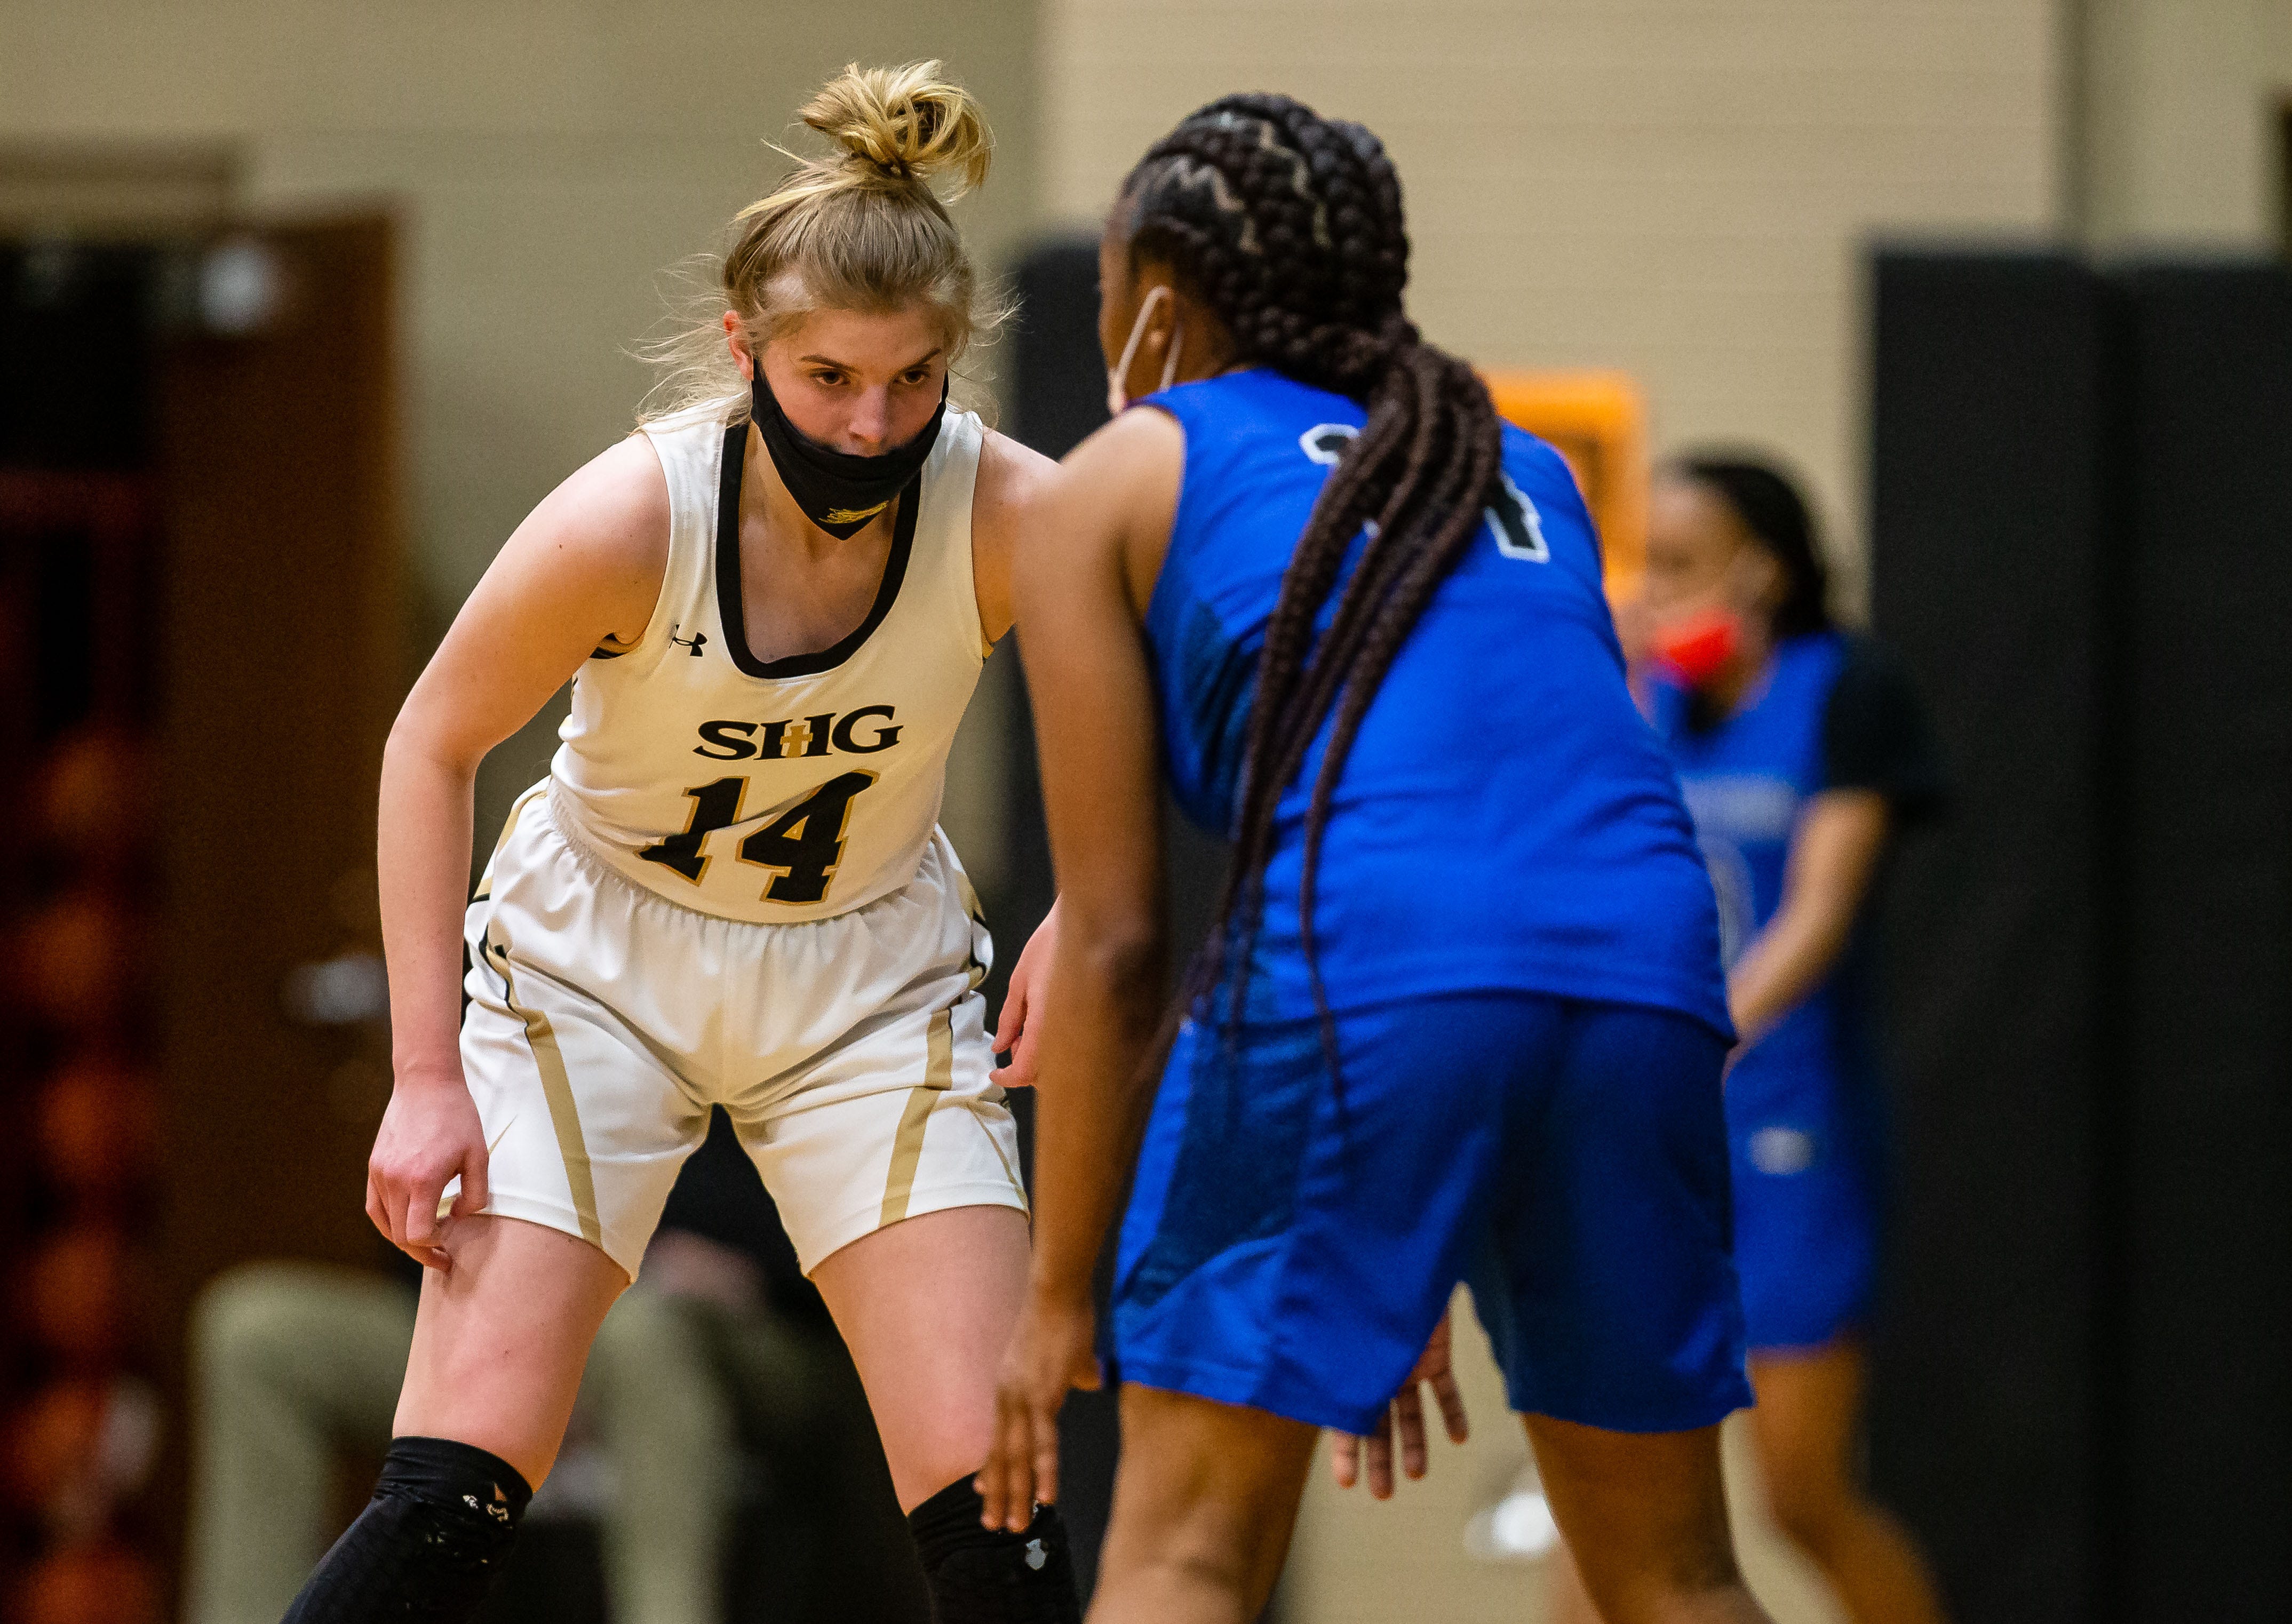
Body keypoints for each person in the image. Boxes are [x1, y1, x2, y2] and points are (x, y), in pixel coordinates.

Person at [283, 62, 1080, 1624]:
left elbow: (1205, 695)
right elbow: (427, 742)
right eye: (833, 375)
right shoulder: (631, 517)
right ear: (747, 348)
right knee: (453, 1495)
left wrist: (1095, 903)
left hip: (867, 969)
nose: (875, 419)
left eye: (915, 379)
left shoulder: (1012, 509)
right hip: (598, 962)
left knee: (1002, 1502)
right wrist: (426, 1074)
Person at [976, 92, 1774, 1624]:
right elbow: (1508, 807)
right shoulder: (1514, 465)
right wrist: (1394, 1222)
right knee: (1676, 1574)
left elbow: (1119, 939)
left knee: (1183, 1555)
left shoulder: (1121, 472)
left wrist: (1055, 1296)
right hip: (1647, 972)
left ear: (1155, 299)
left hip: (1374, 971)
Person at [1550, 457, 1949, 1624]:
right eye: (1647, 562)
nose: (1657, 588)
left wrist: (1708, 1024)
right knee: (1604, 1503)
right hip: (1645, 1136)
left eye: (1680, 564)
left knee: (1799, 1494)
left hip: (1793, 1139)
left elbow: (1819, 912)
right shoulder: (1638, 693)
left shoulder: (1846, 689)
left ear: (1761, 568)